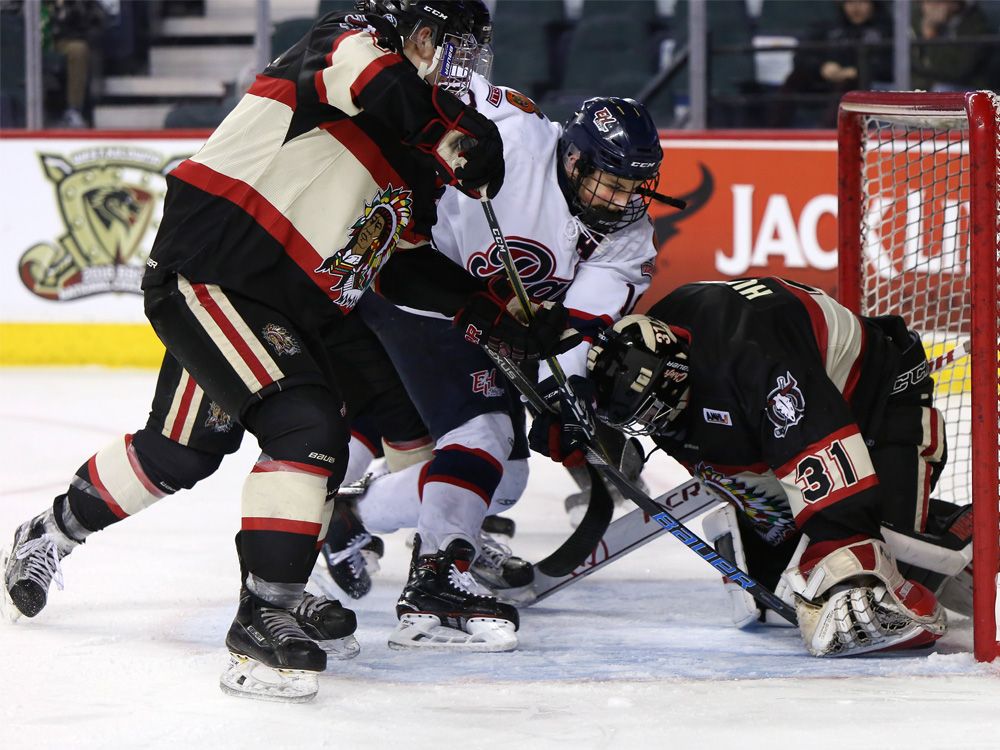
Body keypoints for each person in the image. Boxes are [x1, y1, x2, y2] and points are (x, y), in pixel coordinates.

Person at [1, 1, 580, 702]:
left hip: (293, 307)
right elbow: (382, 85)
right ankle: (264, 611)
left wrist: (497, 315)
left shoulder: (415, 147)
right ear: (417, 31)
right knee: (306, 424)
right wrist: (454, 131)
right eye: (450, 44)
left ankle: (53, 531)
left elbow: (397, 263)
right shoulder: (350, 42)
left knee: (180, 451)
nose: (458, 64)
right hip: (220, 275)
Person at [324, 88, 666, 651]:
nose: (623, 199)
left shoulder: (628, 239)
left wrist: (568, 394)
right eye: (612, 181)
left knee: (503, 482)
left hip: (487, 323)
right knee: (480, 431)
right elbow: (431, 82)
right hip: (414, 285)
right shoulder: (519, 135)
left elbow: (570, 330)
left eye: (636, 186)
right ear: (575, 159)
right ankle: (435, 580)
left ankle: (354, 515)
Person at [535, 277, 974, 658]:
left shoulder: (748, 358)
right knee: (779, 575)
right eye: (642, 420)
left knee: (876, 574)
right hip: (785, 397)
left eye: (654, 412)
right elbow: (748, 479)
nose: (654, 426)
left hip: (878, 394)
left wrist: (850, 555)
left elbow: (815, 443)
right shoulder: (663, 368)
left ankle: (973, 530)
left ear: (676, 373)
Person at [773, 0, 892, 128]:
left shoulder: (885, 30)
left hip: (862, 84)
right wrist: (821, 68)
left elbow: (889, 65)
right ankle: (772, 133)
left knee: (847, 87)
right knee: (795, 78)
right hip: (824, 82)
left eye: (862, 2)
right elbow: (801, 56)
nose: (856, 8)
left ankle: (826, 136)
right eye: (850, 2)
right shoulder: (831, 28)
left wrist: (858, 71)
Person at [911, 0, 993, 91]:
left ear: (954, 4)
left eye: (937, 3)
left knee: (942, 89)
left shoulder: (974, 24)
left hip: (968, 88)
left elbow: (956, 71)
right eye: (927, 3)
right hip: (925, 86)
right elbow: (912, 67)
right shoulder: (915, 21)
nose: (932, 8)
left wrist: (931, 35)